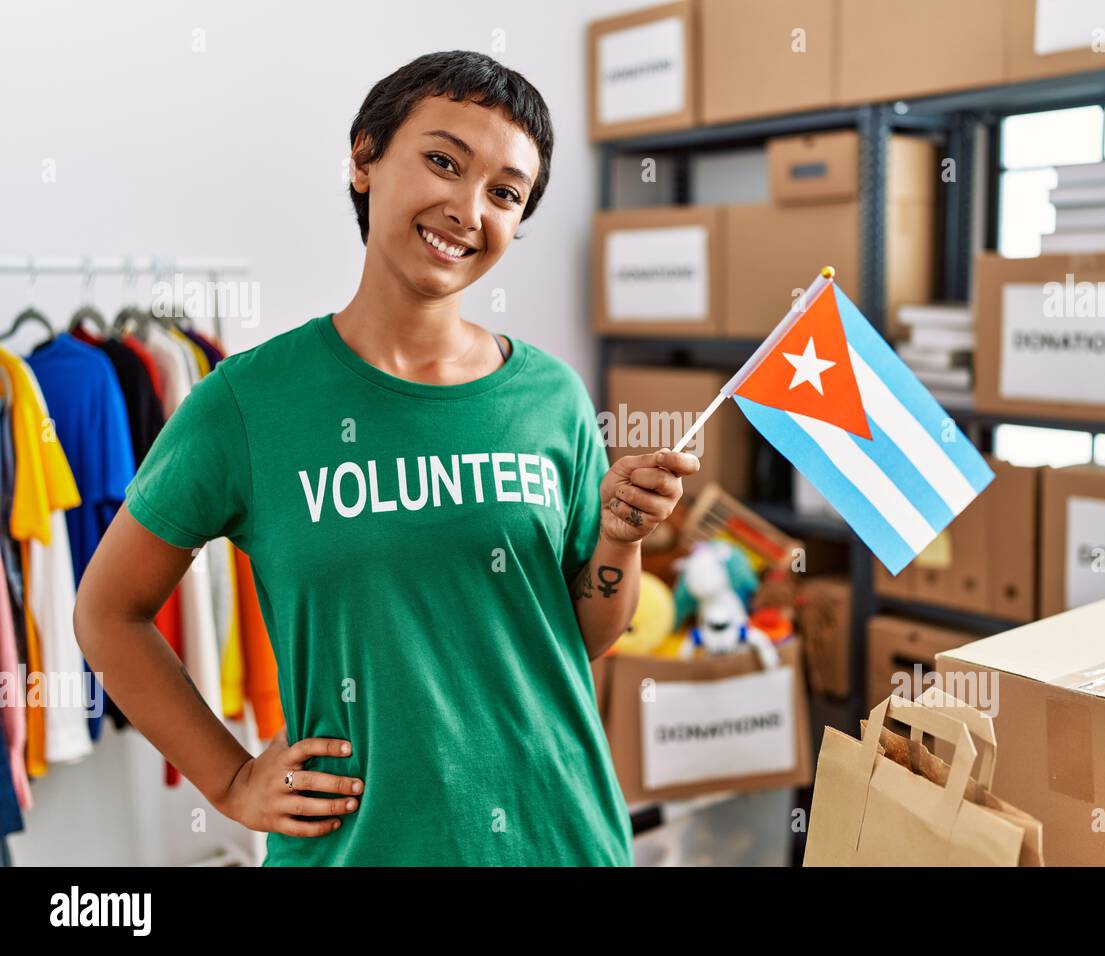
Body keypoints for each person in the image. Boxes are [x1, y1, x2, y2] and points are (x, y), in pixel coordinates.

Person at [74, 50, 699, 866]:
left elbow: (581, 637)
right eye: (443, 161)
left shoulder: (551, 396)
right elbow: (106, 612)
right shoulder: (247, 404)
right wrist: (229, 783)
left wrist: (621, 535)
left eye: (505, 193)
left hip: (563, 837)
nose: (468, 209)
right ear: (364, 158)